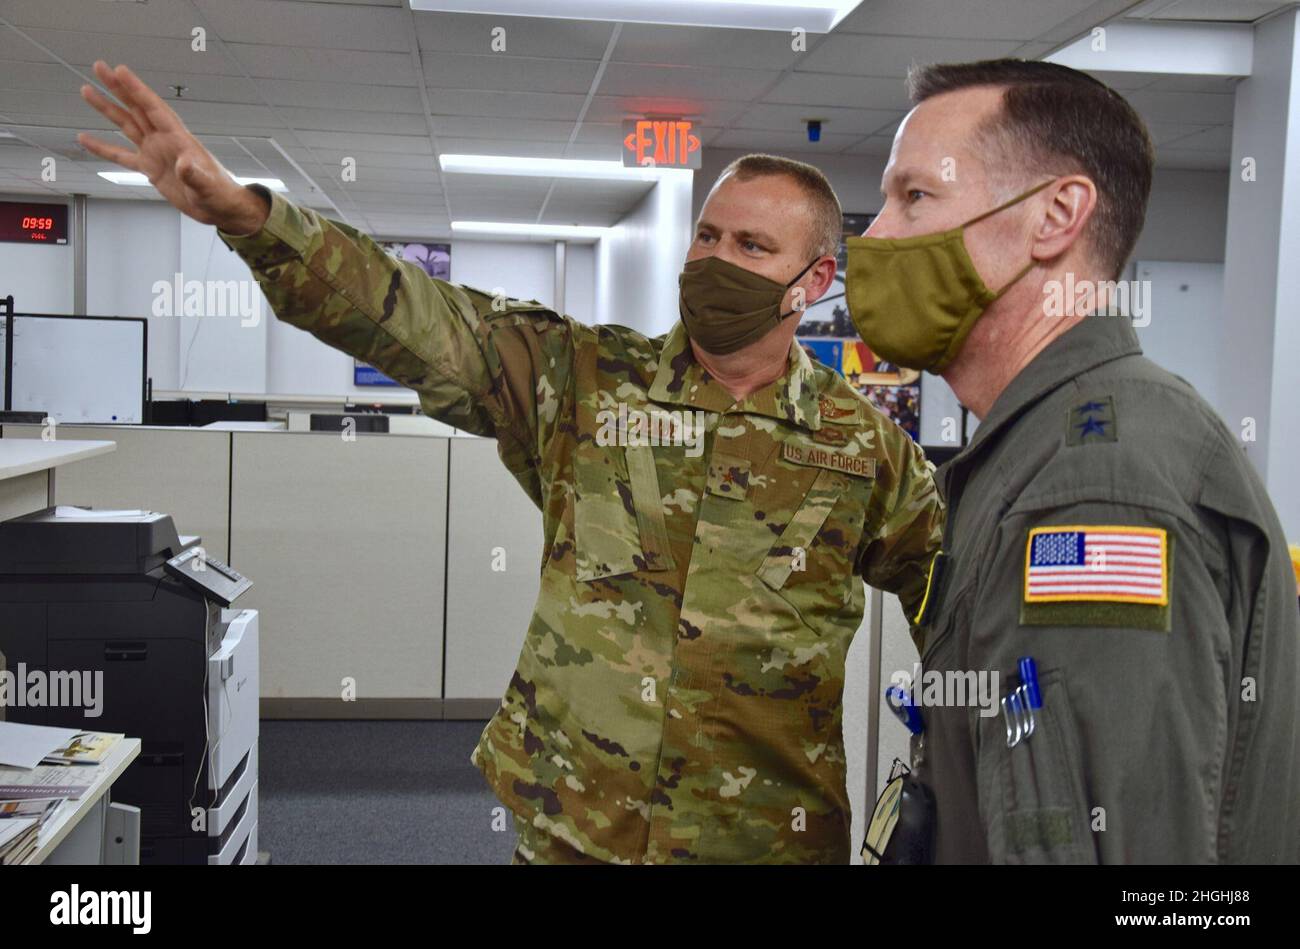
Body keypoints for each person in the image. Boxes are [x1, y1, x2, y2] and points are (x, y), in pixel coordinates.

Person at [78, 61, 945, 864]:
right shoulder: (583, 380)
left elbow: (952, 596)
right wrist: (254, 220)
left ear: (814, 279)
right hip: (574, 817)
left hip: (765, 839)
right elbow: (416, 317)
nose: (717, 260)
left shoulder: (862, 446)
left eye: (752, 248)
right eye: (707, 236)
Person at [847, 58, 1300, 863]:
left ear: (1056, 215)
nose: (877, 234)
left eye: (915, 196)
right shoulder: (1041, 448)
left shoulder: (1095, 488)